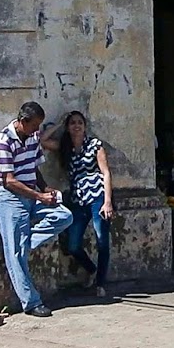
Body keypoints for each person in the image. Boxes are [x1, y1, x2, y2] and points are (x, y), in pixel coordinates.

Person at [0, 101, 76, 317]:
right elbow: (8, 181)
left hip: (31, 194)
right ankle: (31, 302)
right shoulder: (4, 140)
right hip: (10, 198)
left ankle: (23, 244)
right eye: (34, 125)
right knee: (16, 254)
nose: (37, 130)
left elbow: (34, 167)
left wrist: (45, 189)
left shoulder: (33, 137)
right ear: (22, 122)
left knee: (63, 216)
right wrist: (39, 195)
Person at [58, 111, 115, 298]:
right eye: (72, 123)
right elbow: (42, 141)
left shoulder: (94, 145)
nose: (76, 126)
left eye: (80, 123)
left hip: (97, 194)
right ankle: (91, 269)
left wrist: (107, 202)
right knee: (73, 245)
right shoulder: (65, 147)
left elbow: (105, 172)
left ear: (85, 126)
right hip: (78, 198)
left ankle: (100, 283)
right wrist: (59, 125)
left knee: (101, 240)